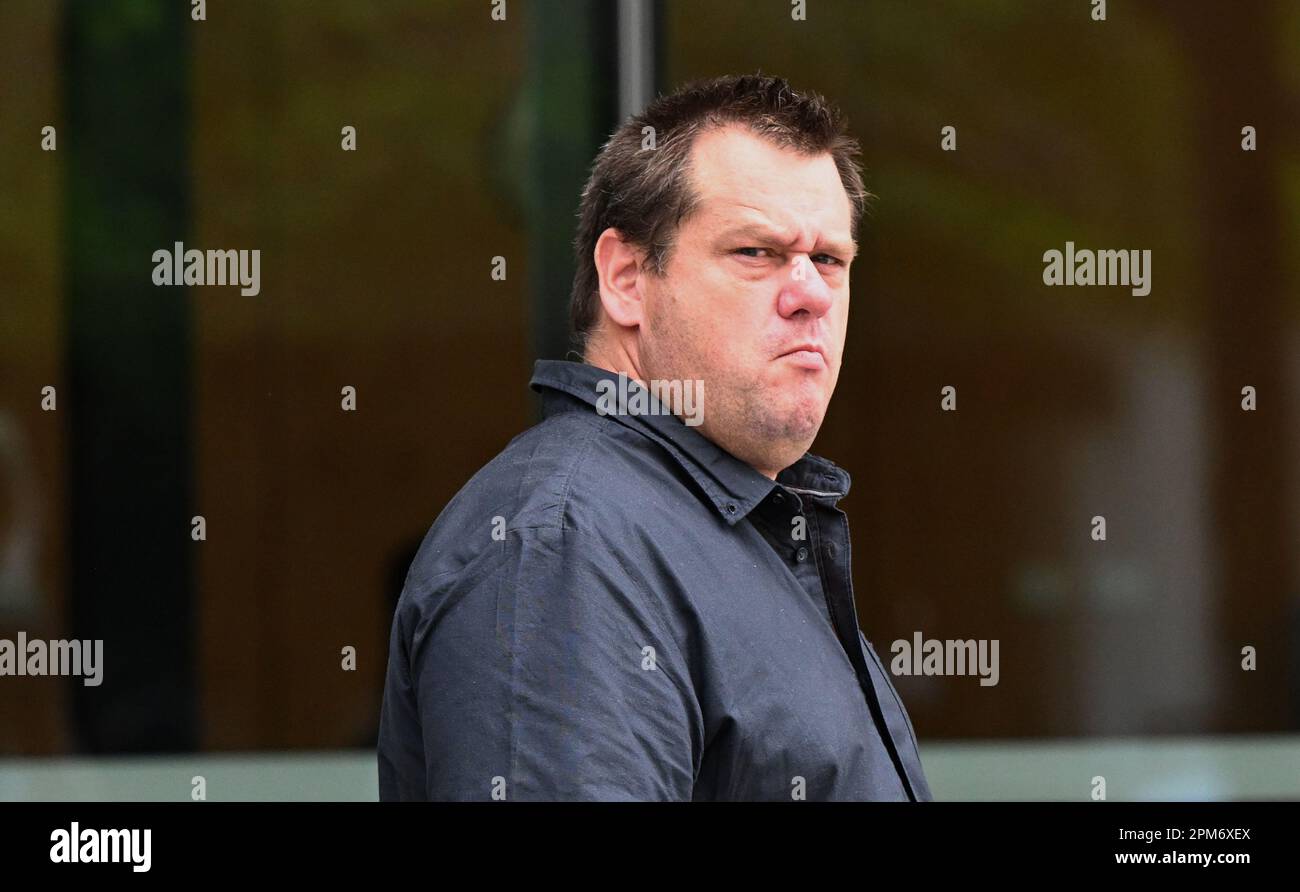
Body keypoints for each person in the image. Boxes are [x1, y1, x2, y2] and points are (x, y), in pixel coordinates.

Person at [378, 72, 932, 801]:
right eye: (756, 252)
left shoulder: (718, 526)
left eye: (829, 259)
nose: (811, 295)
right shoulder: (566, 544)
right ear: (627, 278)